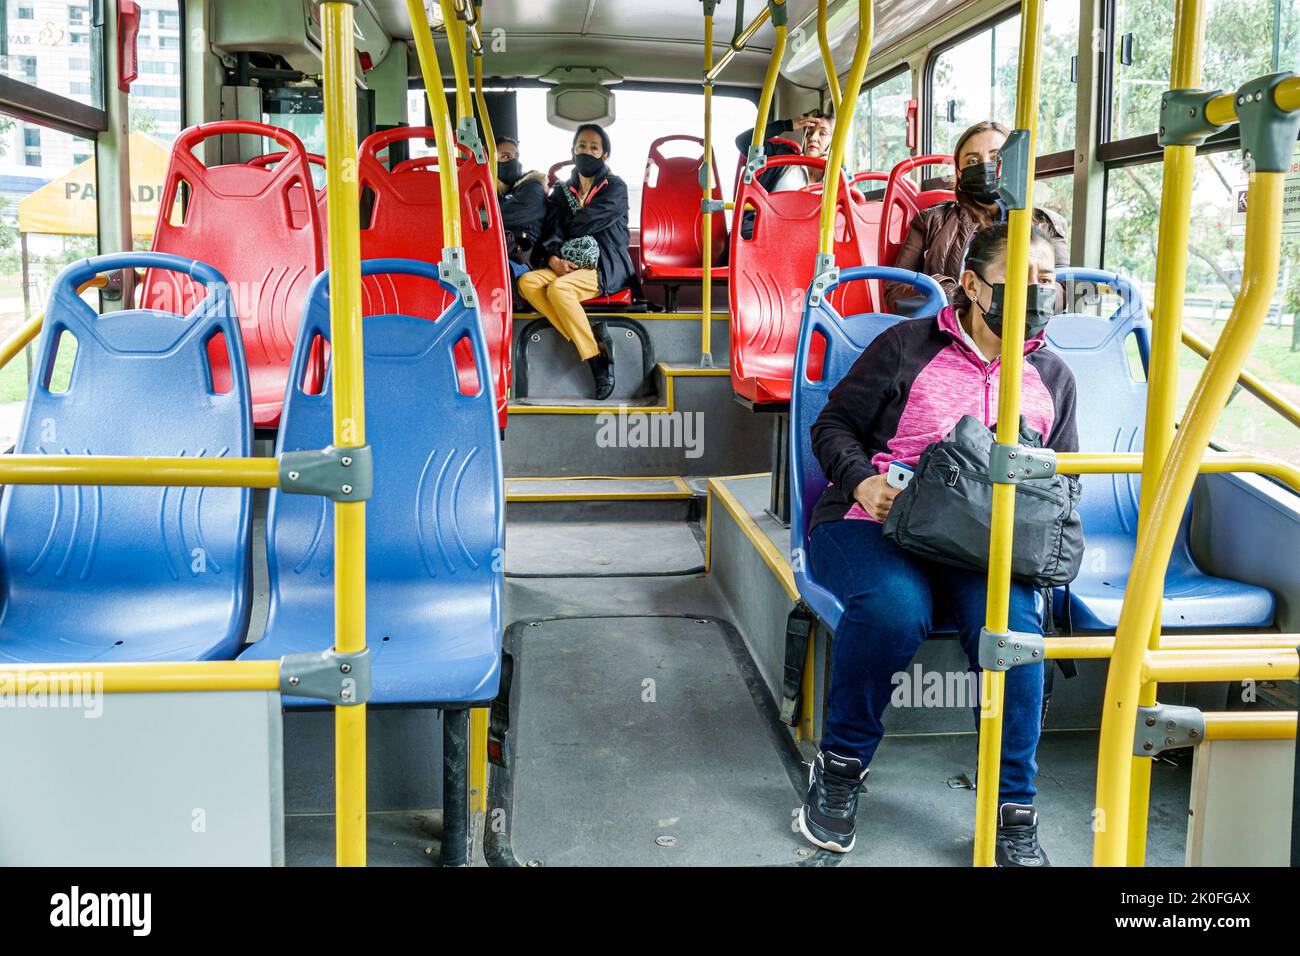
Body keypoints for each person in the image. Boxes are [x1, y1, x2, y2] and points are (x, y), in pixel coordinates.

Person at [799, 223, 1078, 867]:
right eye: (1023, 278)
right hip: (879, 522)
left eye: (1047, 280)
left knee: (1013, 632)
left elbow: (1062, 474)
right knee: (895, 609)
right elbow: (833, 424)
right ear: (974, 284)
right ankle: (840, 767)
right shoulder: (905, 347)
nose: (1037, 292)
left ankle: (1014, 805)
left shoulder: (1052, 376)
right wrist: (862, 481)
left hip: (984, 542)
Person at [883, 120, 1068, 314]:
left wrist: (1011, 299)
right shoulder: (931, 221)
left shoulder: (1046, 224)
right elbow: (895, 292)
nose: (985, 166)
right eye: (972, 161)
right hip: (950, 329)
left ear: (1014, 165)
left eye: (996, 157)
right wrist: (947, 293)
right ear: (959, 173)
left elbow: (1065, 292)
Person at [520, 123, 635, 400]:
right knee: (528, 282)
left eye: (594, 147)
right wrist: (553, 258)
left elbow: (582, 224)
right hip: (568, 265)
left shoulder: (615, 187)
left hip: (605, 265)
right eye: (581, 146)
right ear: (572, 151)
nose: (587, 152)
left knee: (559, 290)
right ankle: (595, 343)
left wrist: (564, 222)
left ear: (605, 155)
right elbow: (552, 231)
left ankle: (595, 362)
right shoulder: (563, 191)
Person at [735, 109, 834, 192]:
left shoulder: (836, 177)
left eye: (823, 133)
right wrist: (787, 125)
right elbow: (743, 141)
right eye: (809, 132)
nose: (812, 138)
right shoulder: (783, 156)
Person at [495, 135, 547, 280]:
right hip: (497, 253)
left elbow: (498, 218)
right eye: (505, 156)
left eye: (515, 156)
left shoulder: (532, 187)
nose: (513, 161)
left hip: (524, 258)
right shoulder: (491, 193)